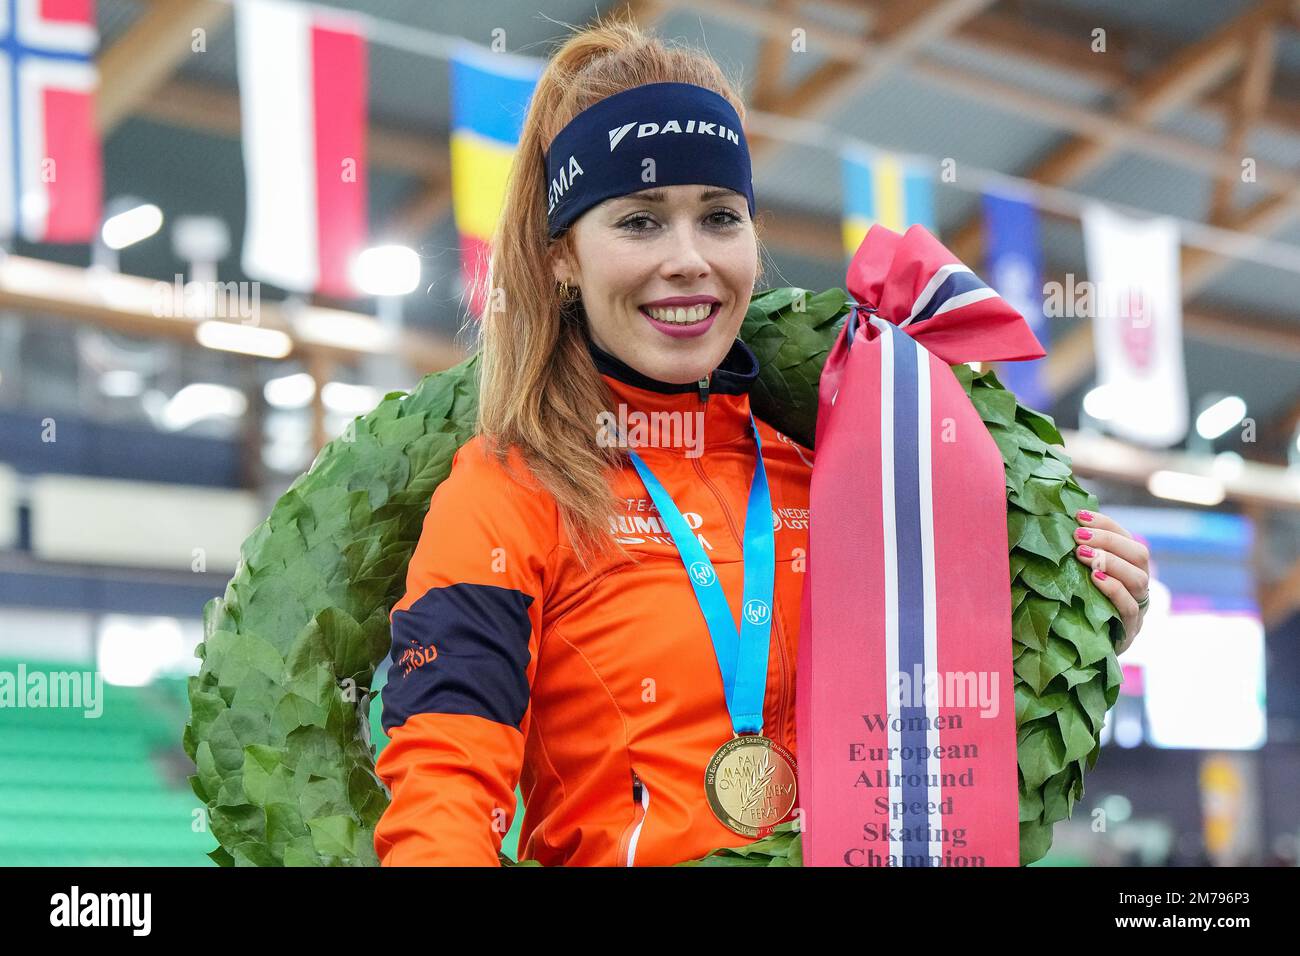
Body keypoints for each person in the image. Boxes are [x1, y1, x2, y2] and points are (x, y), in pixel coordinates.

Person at [372, 16, 1151, 867]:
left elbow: (947, 740)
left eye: (719, 217)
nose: (689, 260)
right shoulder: (507, 494)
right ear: (563, 257)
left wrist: (1079, 631)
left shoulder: (844, 476)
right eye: (639, 222)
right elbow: (445, 784)